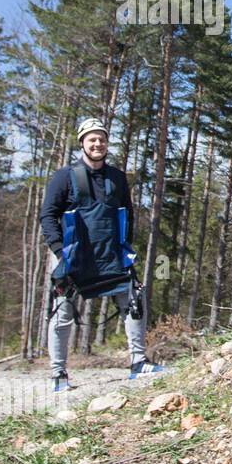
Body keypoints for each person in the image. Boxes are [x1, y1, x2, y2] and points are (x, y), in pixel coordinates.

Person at [40, 118, 163, 392]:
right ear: (82, 143)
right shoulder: (64, 176)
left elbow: (128, 215)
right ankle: (58, 374)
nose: (97, 144)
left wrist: (125, 248)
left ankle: (138, 362)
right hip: (72, 255)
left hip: (110, 252)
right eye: (92, 139)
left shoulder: (117, 178)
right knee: (62, 311)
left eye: (102, 139)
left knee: (133, 299)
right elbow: (47, 215)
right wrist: (60, 251)